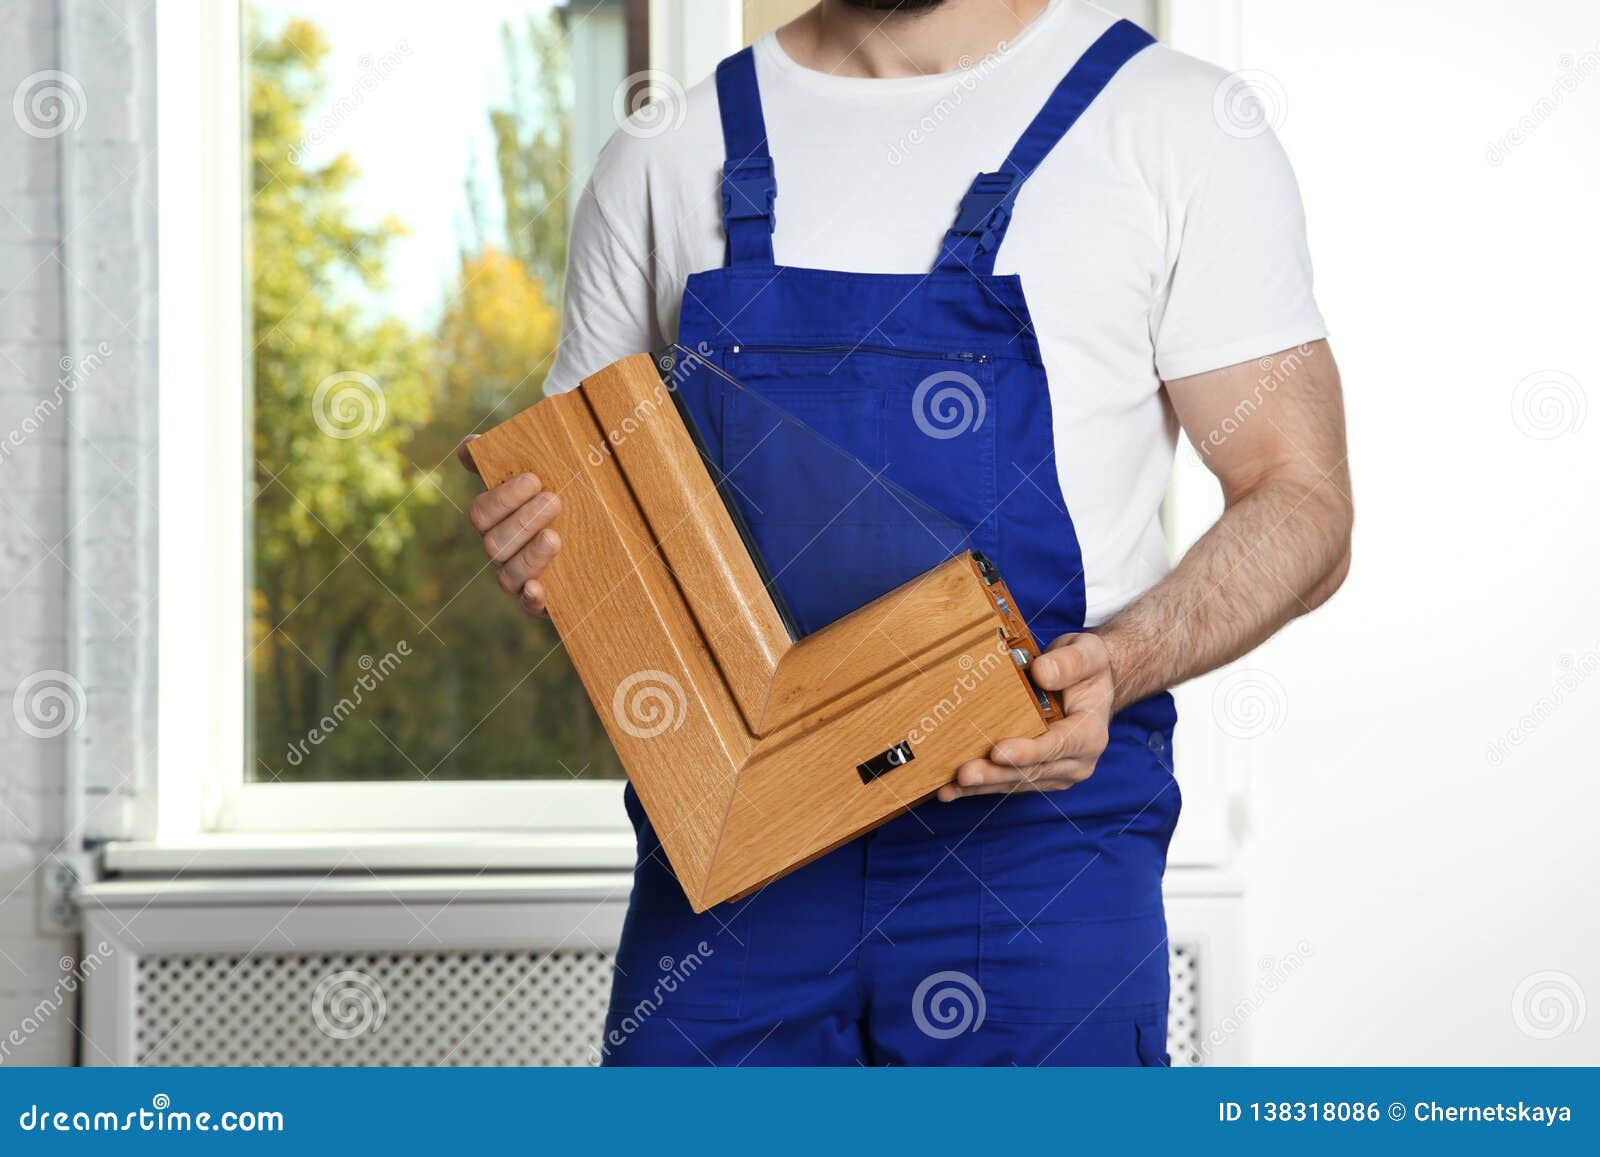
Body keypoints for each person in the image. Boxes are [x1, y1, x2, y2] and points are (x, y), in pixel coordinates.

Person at [458, 0, 1351, 1066]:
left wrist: (1123, 660)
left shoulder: (1174, 124)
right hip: (739, 847)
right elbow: (597, 514)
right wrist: (555, 555)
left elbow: (1299, 497)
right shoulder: (666, 151)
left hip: (1041, 836)